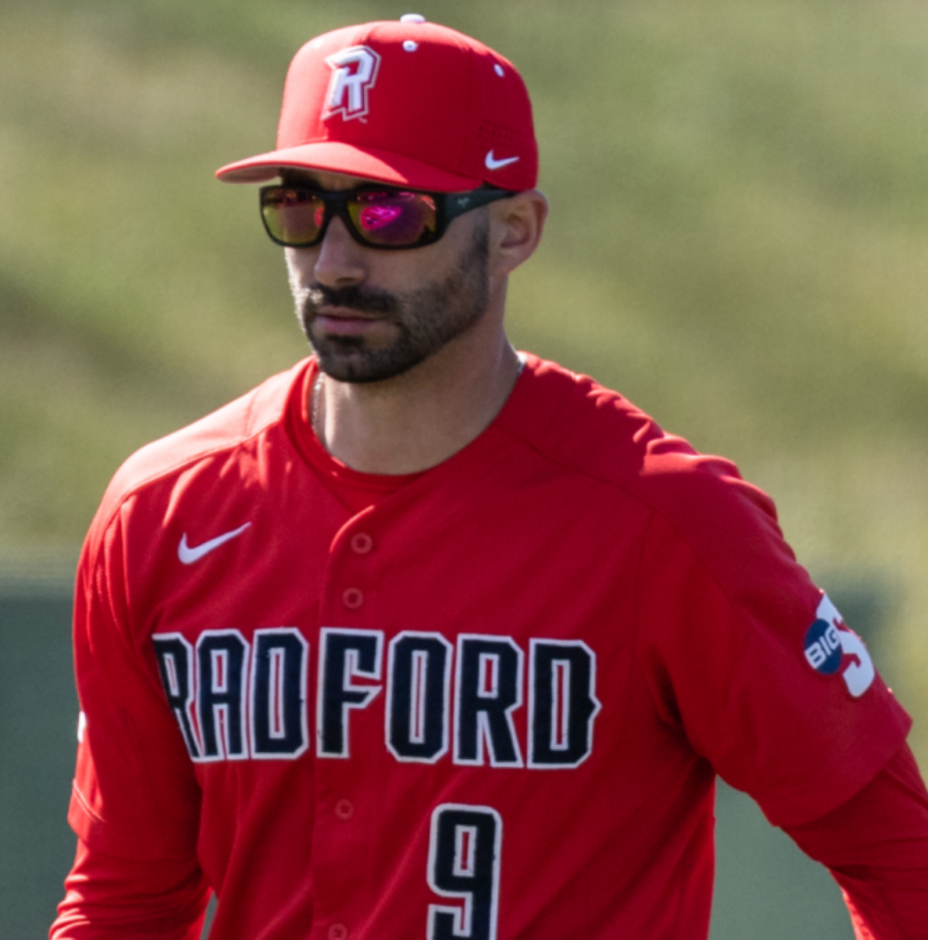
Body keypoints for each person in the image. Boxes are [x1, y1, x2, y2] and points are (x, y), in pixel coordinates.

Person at [51, 15, 928, 940]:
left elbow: (901, 862)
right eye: (301, 209)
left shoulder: (666, 521)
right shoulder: (163, 513)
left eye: (391, 214)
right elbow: (122, 899)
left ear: (513, 232)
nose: (334, 262)